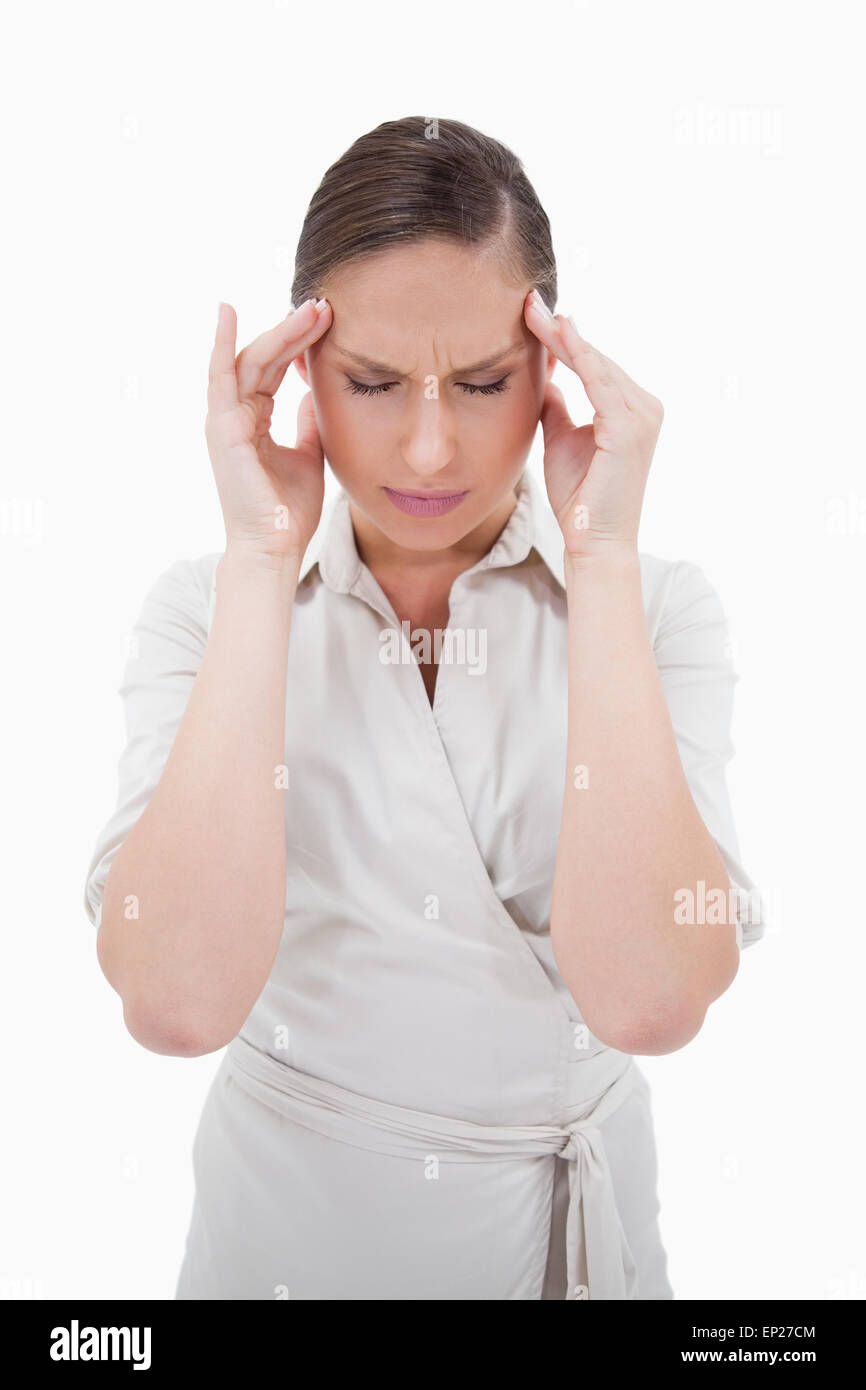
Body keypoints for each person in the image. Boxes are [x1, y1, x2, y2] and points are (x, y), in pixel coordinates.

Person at [83, 116, 765, 1301]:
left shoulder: (655, 608)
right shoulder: (204, 610)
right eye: (374, 383)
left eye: (487, 381)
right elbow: (176, 1003)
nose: (433, 442)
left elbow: (653, 999)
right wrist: (260, 561)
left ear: (553, 367)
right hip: (289, 1245)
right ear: (301, 370)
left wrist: (597, 561)